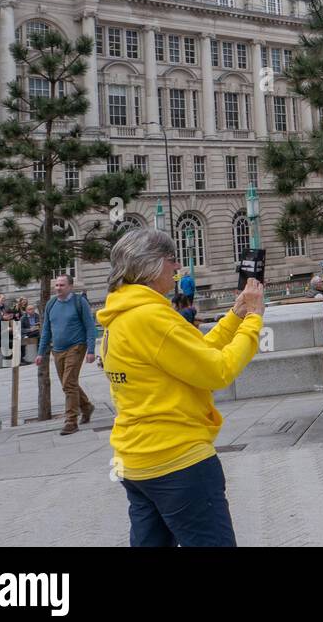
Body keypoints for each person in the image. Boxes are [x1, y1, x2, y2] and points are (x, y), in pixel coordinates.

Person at [97, 228, 265, 547]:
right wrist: (254, 320)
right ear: (151, 265)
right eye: (172, 261)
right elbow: (218, 370)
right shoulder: (151, 317)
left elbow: (192, 351)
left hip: (136, 460)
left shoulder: (122, 315)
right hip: (177, 460)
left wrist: (235, 316)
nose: (177, 269)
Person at [35, 275, 98, 435]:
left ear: (70, 286)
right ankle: (86, 406)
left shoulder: (79, 302)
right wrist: (41, 352)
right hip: (57, 350)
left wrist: (91, 350)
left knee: (68, 383)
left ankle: (71, 421)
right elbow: (46, 330)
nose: (58, 288)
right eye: (56, 285)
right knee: (68, 383)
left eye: (62, 285)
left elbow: (90, 326)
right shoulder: (51, 304)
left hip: (76, 346)